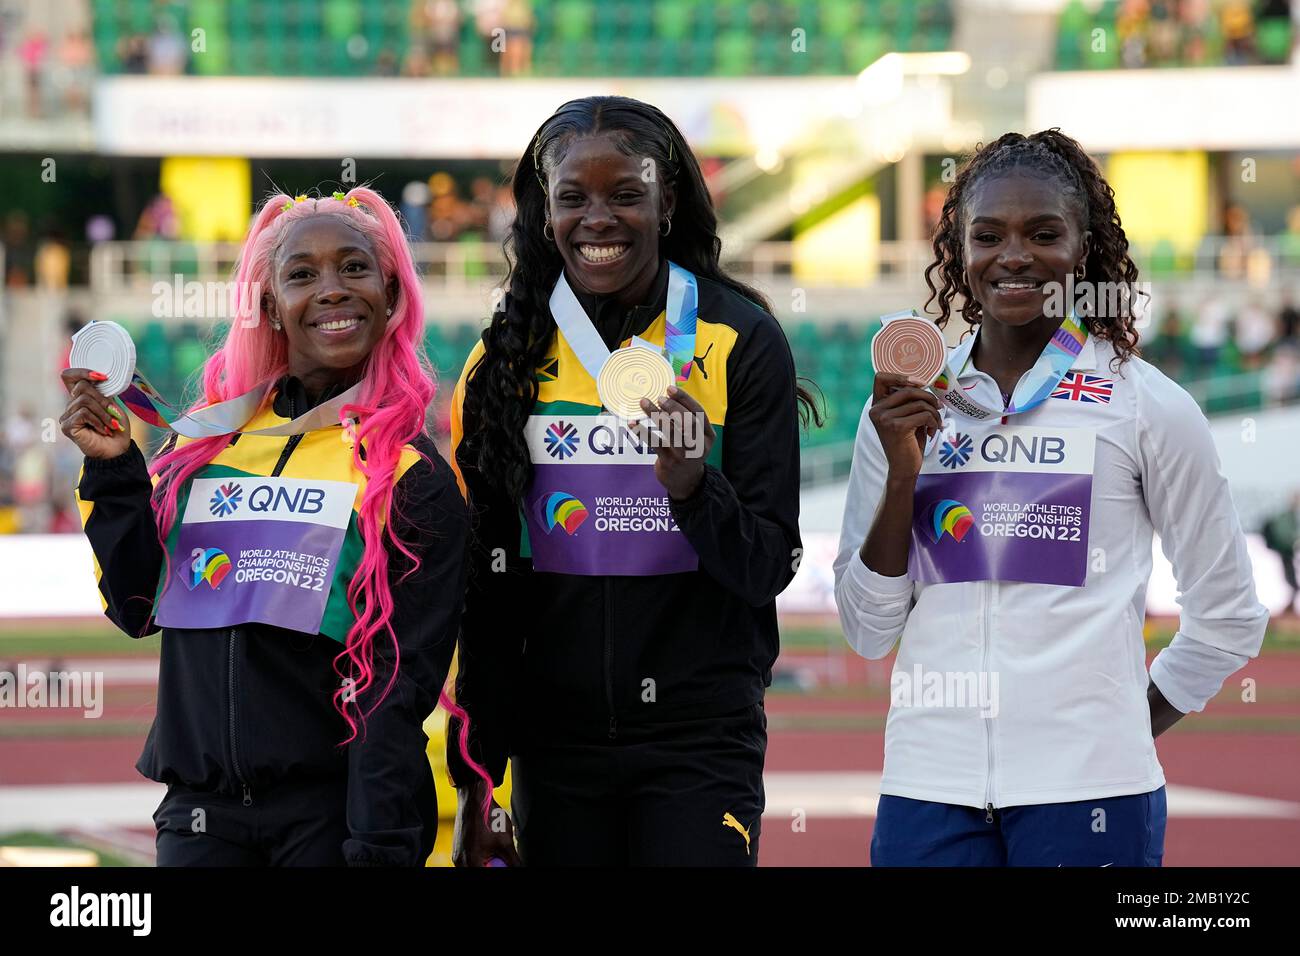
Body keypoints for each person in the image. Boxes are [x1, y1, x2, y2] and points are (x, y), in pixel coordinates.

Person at [834, 130, 1269, 867]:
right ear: (957, 251)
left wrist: (1121, 730)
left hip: (1093, 795)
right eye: (987, 235)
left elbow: (1227, 617)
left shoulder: (1143, 405)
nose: (1013, 257)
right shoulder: (906, 407)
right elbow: (869, 632)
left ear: (1084, 248)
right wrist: (904, 474)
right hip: (927, 785)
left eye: (1043, 234)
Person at [61, 188, 487, 866]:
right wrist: (116, 474)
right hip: (199, 818)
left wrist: (378, 849)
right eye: (301, 274)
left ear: (393, 296)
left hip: (326, 823)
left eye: (354, 268)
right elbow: (135, 607)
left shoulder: (411, 478)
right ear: (268, 306)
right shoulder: (202, 448)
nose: (331, 290)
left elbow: (395, 694)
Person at [446, 95, 820, 866]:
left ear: (668, 199)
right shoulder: (508, 357)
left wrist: (692, 489)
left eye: (626, 195)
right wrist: (478, 781)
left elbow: (768, 565)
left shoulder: (740, 341)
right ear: (544, 211)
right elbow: (487, 593)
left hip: (699, 742)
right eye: (573, 197)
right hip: (555, 750)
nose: (599, 220)